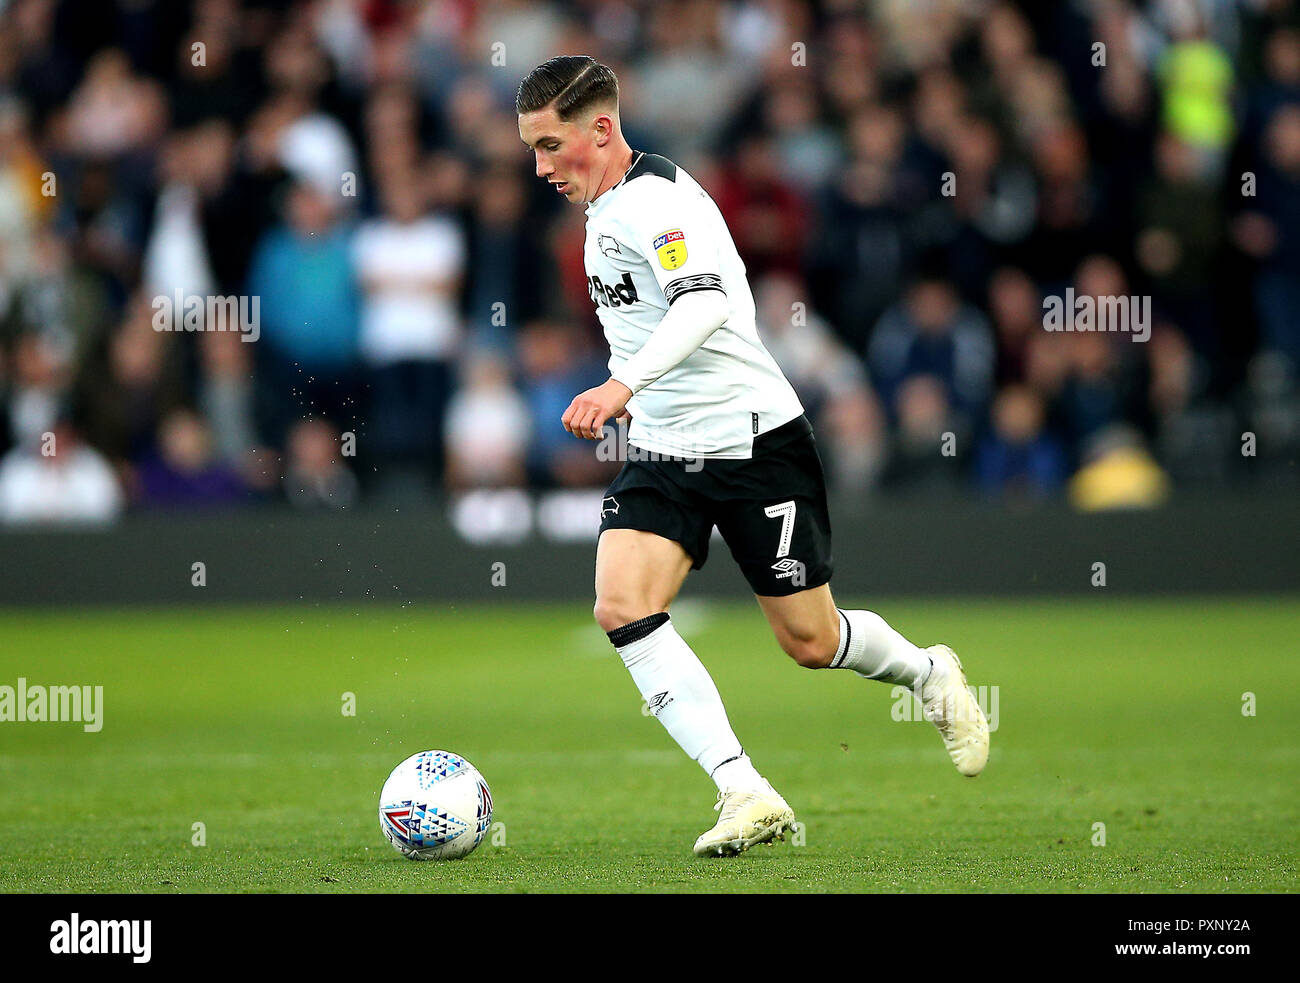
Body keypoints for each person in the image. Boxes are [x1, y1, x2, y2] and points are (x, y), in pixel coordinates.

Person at [517, 56, 990, 858]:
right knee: (621, 604)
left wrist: (619, 385)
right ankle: (744, 788)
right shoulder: (603, 209)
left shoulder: (657, 204)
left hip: (753, 440)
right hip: (665, 447)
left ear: (599, 128)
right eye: (532, 148)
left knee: (810, 640)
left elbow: (702, 302)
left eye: (549, 145)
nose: (540, 167)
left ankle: (926, 671)